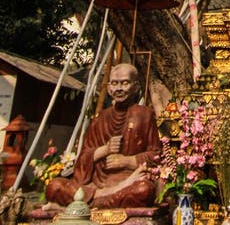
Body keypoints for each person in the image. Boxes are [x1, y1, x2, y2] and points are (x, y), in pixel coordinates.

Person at [45, 63, 160, 209]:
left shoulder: (145, 115)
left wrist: (127, 161)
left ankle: (83, 203)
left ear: (136, 87)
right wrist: (104, 150)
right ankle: (99, 197)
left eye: (124, 83)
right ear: (108, 88)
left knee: (144, 190)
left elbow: (156, 155)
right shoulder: (99, 118)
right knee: (54, 186)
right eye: (114, 83)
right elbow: (82, 159)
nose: (119, 89)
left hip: (129, 181)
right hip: (96, 184)